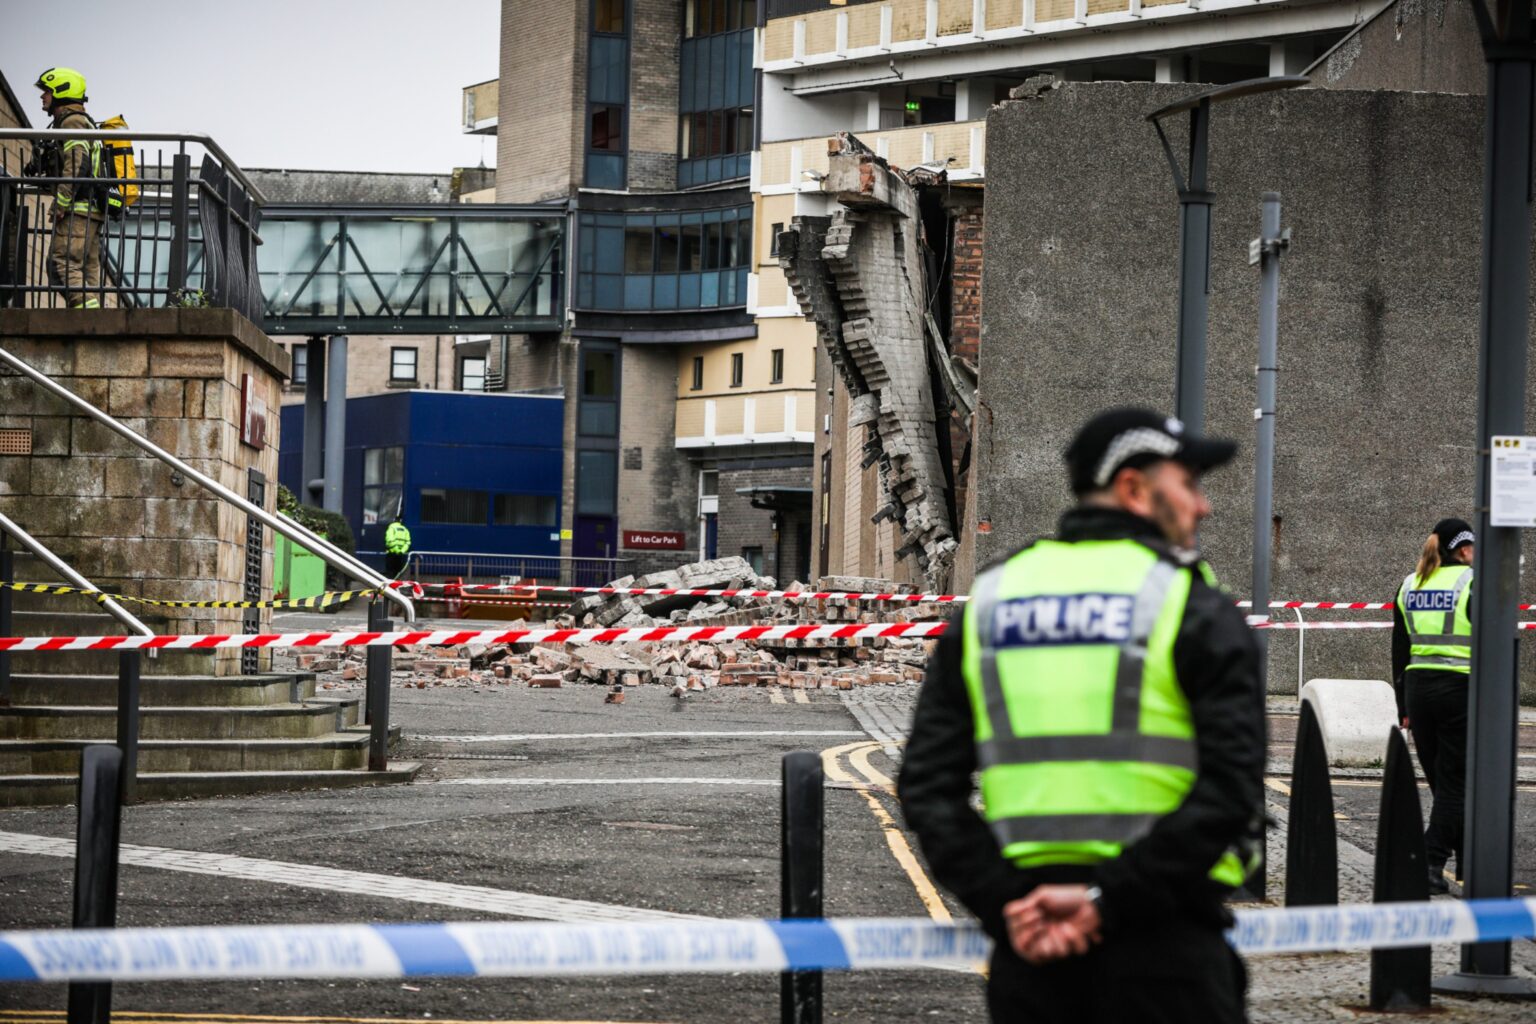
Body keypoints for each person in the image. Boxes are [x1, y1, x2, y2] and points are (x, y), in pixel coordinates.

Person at [899, 407, 1265, 1024]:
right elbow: (1230, 790)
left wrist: (1006, 901)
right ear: (1134, 487)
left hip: (1034, 954)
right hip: (1166, 950)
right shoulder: (1190, 603)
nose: (1202, 507)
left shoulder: (992, 600)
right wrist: (1105, 902)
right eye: (1189, 484)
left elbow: (927, 786)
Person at [1392, 517, 1474, 896]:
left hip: (1418, 691)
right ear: (1460, 549)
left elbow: (1400, 649)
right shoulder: (1471, 583)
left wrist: (1402, 705)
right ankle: (1427, 859)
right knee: (1456, 783)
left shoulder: (1409, 584)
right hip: (1459, 687)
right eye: (1472, 546)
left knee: (1442, 783)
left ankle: (1470, 859)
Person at [35, 67, 104, 309]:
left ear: (61, 91)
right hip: (92, 210)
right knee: (85, 270)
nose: (42, 97)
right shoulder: (81, 122)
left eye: (47, 91)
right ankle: (97, 317)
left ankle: (90, 318)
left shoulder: (72, 122)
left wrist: (61, 203)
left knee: (60, 264)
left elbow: (77, 163)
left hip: (79, 209)